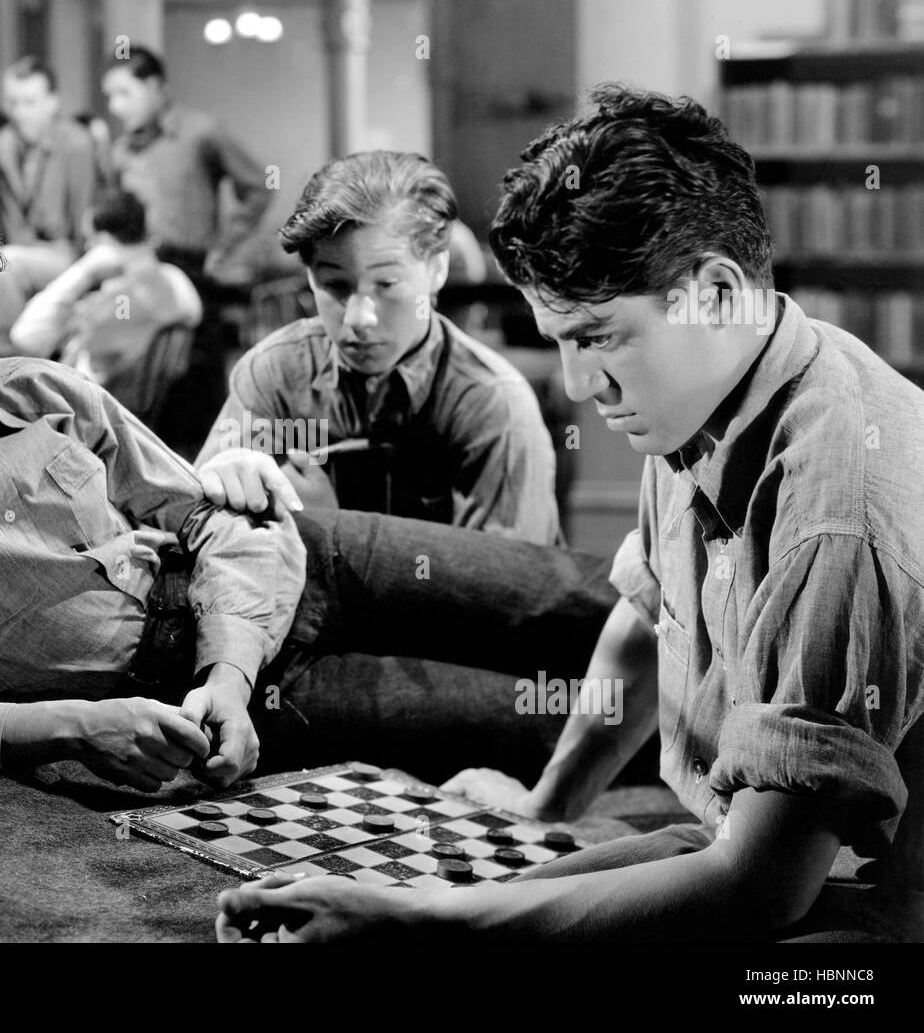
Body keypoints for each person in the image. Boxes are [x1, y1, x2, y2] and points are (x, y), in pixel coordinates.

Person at [217, 84, 924, 944]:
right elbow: (643, 617)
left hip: (858, 905)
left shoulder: (832, 505)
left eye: (597, 336)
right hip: (743, 839)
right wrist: (547, 805)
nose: (581, 385)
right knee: (510, 897)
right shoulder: (718, 387)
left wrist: (428, 921)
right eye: (560, 340)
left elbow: (760, 887)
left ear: (716, 291)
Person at [0, 187, 617, 797]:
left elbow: (213, 520)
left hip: (296, 567)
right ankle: (751, 777)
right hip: (187, 684)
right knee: (557, 718)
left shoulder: (47, 391)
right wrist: (81, 725)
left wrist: (229, 670)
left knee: (582, 595)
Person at [193, 151, 561, 544]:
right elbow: (195, 529)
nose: (359, 318)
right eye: (335, 286)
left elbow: (500, 590)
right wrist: (221, 487)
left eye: (385, 285)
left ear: (437, 269)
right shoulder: (275, 373)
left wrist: (329, 534)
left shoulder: (491, 403)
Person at [102, 44, 274, 452]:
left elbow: (258, 186)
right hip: (143, 272)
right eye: (109, 96)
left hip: (197, 270)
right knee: (146, 382)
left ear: (156, 86)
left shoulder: (201, 131)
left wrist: (225, 247)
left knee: (199, 390)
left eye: (123, 94)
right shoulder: (122, 150)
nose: (115, 106)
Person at [9, 189, 202, 409]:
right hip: (139, 417)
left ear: (104, 241)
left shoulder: (118, 302)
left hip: (86, 418)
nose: (86, 248)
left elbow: (25, 337)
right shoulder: (175, 280)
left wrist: (85, 271)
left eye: (88, 240)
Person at [0, 56, 99, 353]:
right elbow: (0, 214)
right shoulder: (1, 144)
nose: (20, 112)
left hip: (64, 253)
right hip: (17, 250)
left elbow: (83, 218)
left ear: (52, 102)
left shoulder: (77, 143)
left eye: (29, 102)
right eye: (13, 102)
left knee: (6, 265)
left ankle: (8, 362)